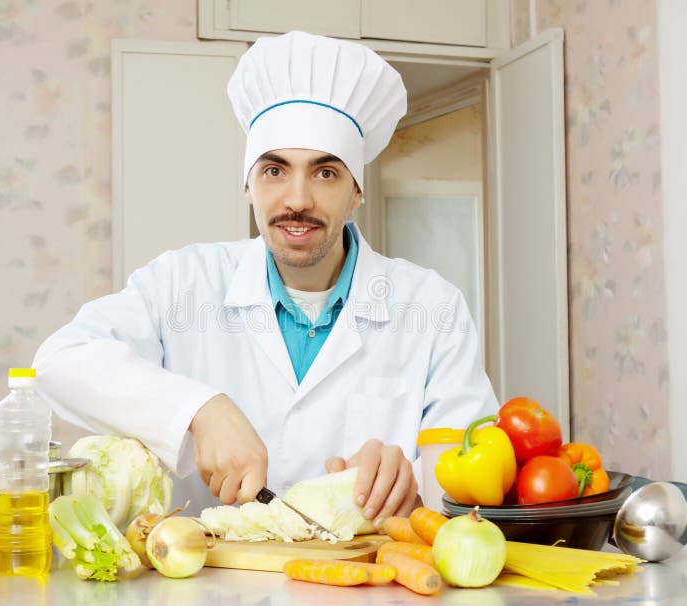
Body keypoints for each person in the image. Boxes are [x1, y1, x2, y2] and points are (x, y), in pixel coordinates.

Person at [34, 31, 498, 524]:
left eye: (325, 173)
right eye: (275, 171)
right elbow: (59, 362)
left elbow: (473, 480)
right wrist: (200, 409)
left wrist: (416, 486)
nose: (296, 199)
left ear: (357, 192)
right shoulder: (182, 283)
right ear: (248, 185)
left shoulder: (432, 307)